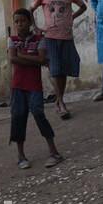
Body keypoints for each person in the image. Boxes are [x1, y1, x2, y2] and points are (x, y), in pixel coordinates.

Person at [7, 9, 63, 169]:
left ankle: (54, 152)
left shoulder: (40, 39)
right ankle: (21, 156)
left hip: (33, 85)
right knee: (18, 116)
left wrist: (22, 56)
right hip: (17, 86)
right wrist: (34, 60)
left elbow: (42, 59)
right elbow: (13, 59)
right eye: (16, 21)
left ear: (30, 22)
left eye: (23, 21)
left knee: (38, 114)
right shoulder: (12, 39)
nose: (19, 24)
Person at [30, 0, 87, 120]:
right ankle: (61, 102)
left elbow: (83, 7)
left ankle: (59, 100)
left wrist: (72, 17)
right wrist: (36, 27)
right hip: (50, 37)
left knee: (64, 70)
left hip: (67, 36)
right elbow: (30, 10)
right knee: (55, 69)